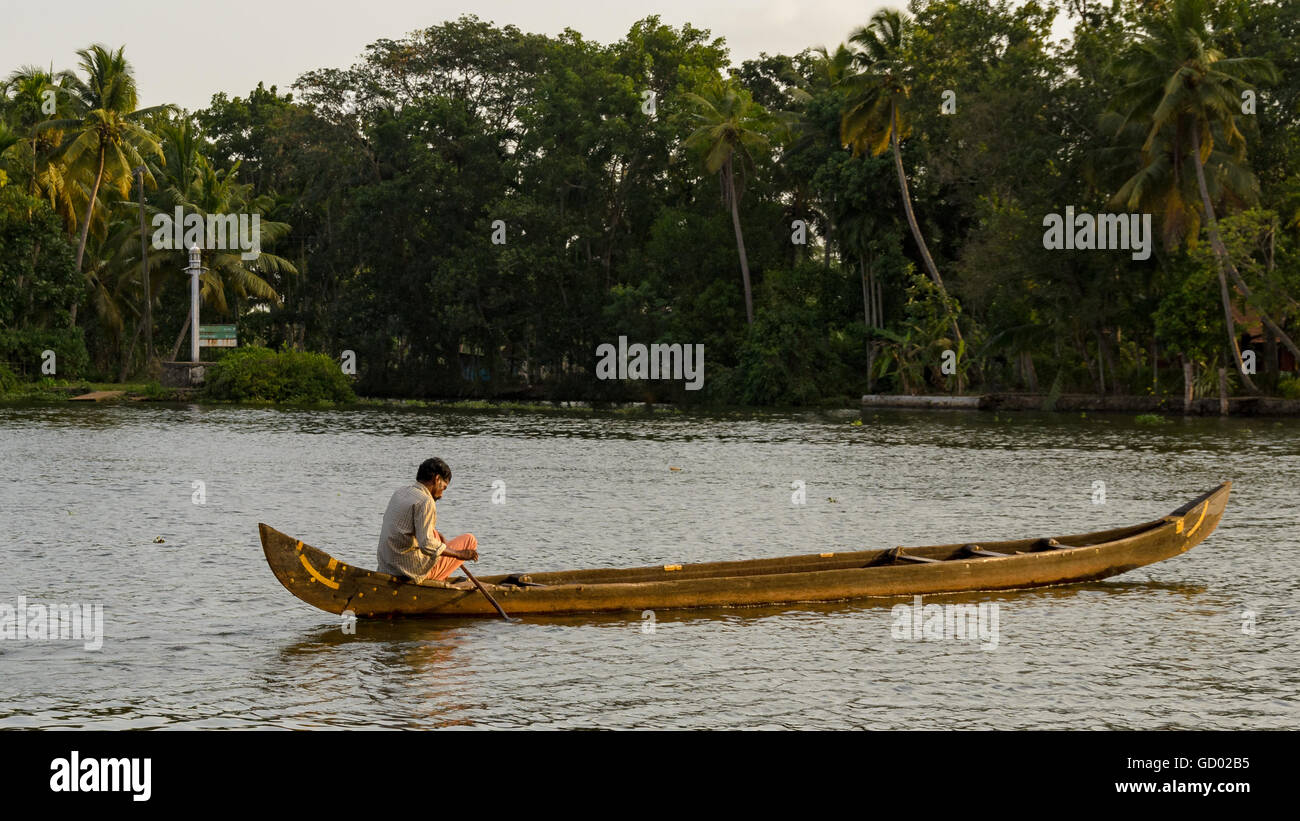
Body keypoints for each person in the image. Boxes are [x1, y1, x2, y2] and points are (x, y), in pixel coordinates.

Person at [377, 458, 478, 586]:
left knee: (436, 535)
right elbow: (426, 544)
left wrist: (438, 538)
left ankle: (438, 574)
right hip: (408, 571)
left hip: (387, 566)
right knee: (470, 540)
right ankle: (435, 583)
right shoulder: (426, 501)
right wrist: (459, 554)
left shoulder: (401, 492)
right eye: (443, 488)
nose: (441, 495)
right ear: (437, 479)